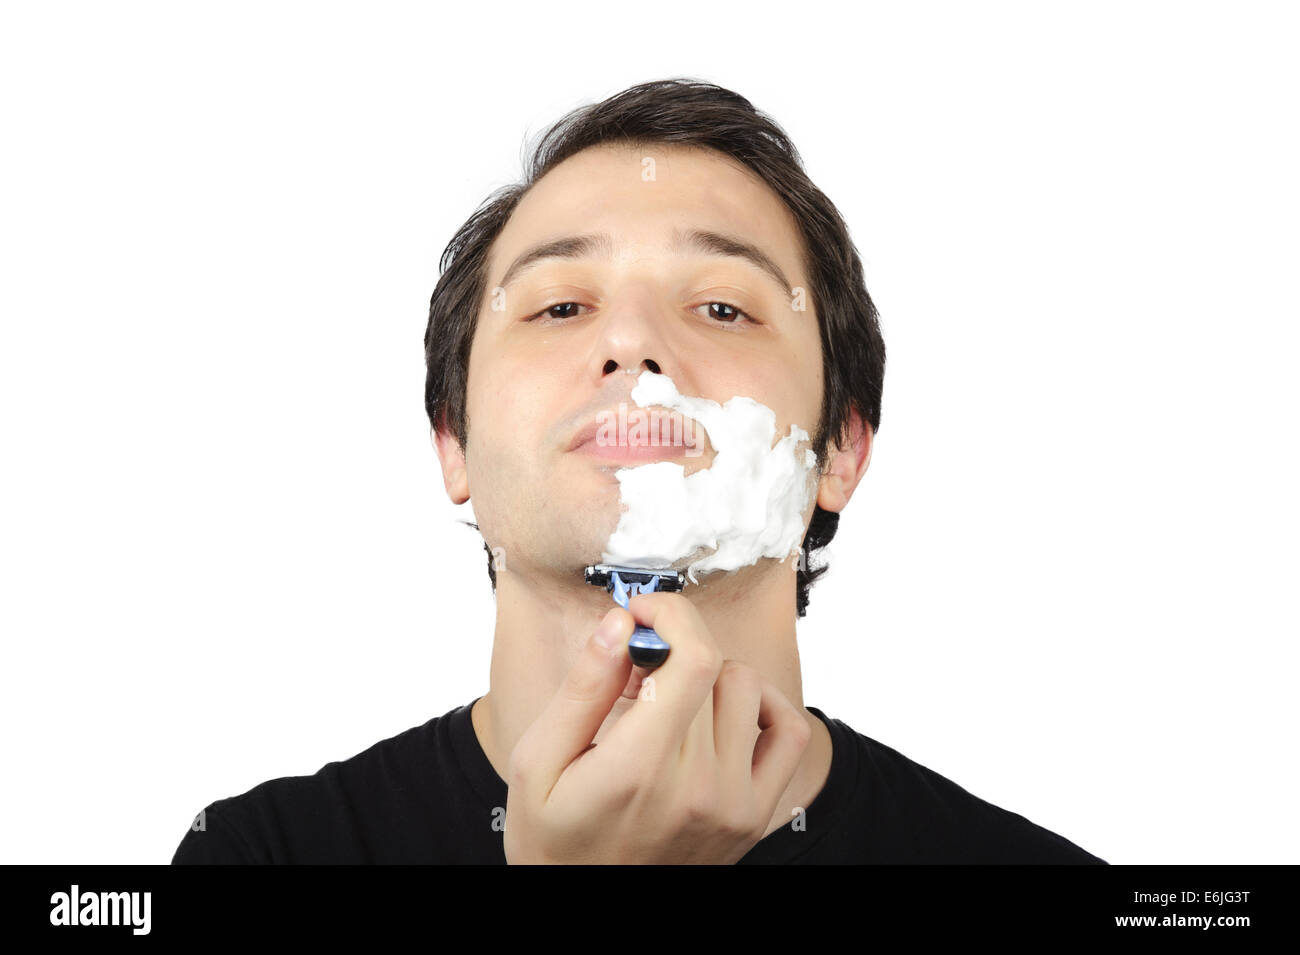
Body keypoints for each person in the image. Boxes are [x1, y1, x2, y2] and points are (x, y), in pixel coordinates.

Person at [172, 78, 1105, 864]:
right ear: (453, 442)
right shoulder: (261, 857)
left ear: (842, 448)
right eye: (561, 306)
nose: (632, 342)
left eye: (723, 307)